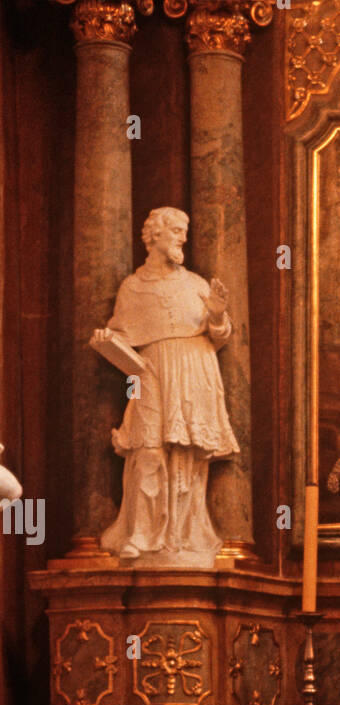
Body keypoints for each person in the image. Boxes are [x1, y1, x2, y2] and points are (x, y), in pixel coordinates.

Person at [94, 207, 239, 566]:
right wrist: (107, 339)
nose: (181, 238)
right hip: (148, 371)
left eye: (184, 231)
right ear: (154, 235)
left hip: (195, 368)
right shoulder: (132, 286)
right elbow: (124, 334)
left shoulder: (196, 284)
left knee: (186, 454)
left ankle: (182, 535)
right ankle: (140, 532)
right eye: (175, 230)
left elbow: (219, 337)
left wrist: (219, 314)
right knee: (146, 449)